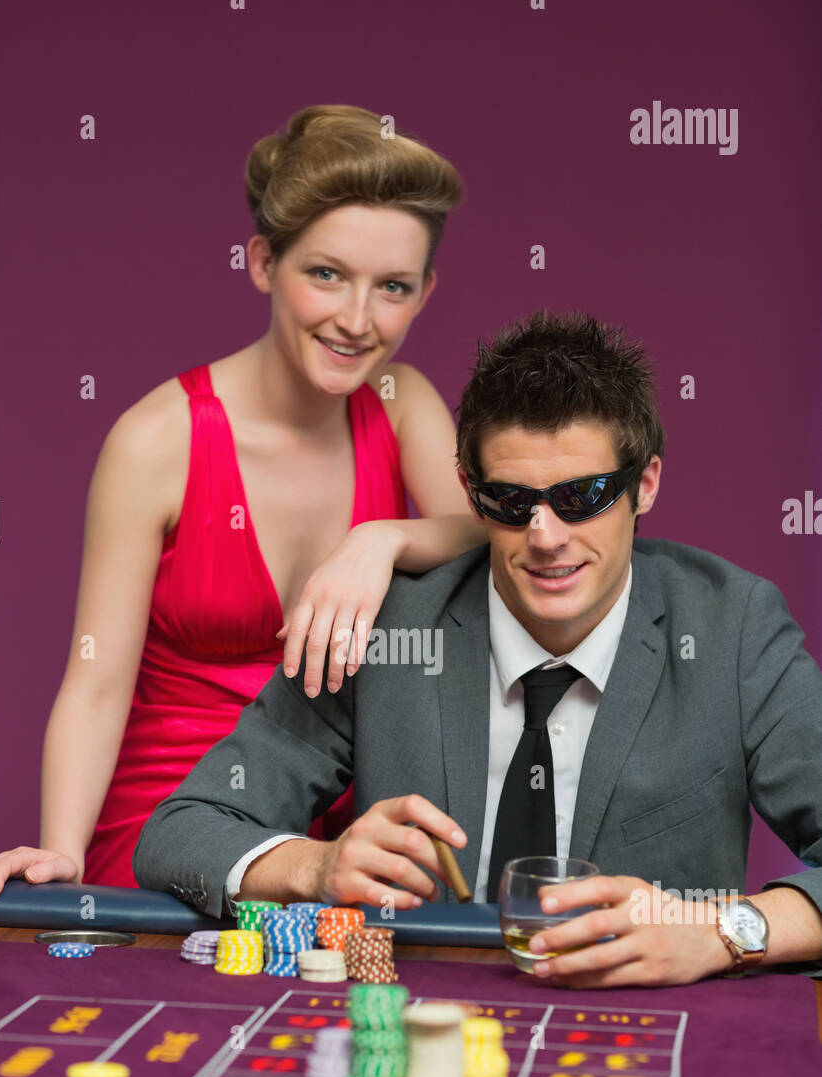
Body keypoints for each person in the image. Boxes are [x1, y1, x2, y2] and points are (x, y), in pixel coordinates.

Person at [132, 310, 822, 988]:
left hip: (657, 1043)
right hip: (428, 1033)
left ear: (645, 485)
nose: (547, 536)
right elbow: (182, 831)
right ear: (471, 492)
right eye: (512, 502)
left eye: (582, 497)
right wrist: (314, 867)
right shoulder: (388, 631)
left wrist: (723, 932)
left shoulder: (733, 630)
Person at [0, 104, 486, 903]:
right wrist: (60, 851)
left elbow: (489, 533)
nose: (356, 320)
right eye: (326, 274)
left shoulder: (400, 400)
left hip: (340, 833)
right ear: (262, 261)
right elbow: (97, 679)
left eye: (393, 288)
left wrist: (380, 539)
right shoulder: (155, 439)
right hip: (172, 833)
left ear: (427, 291)